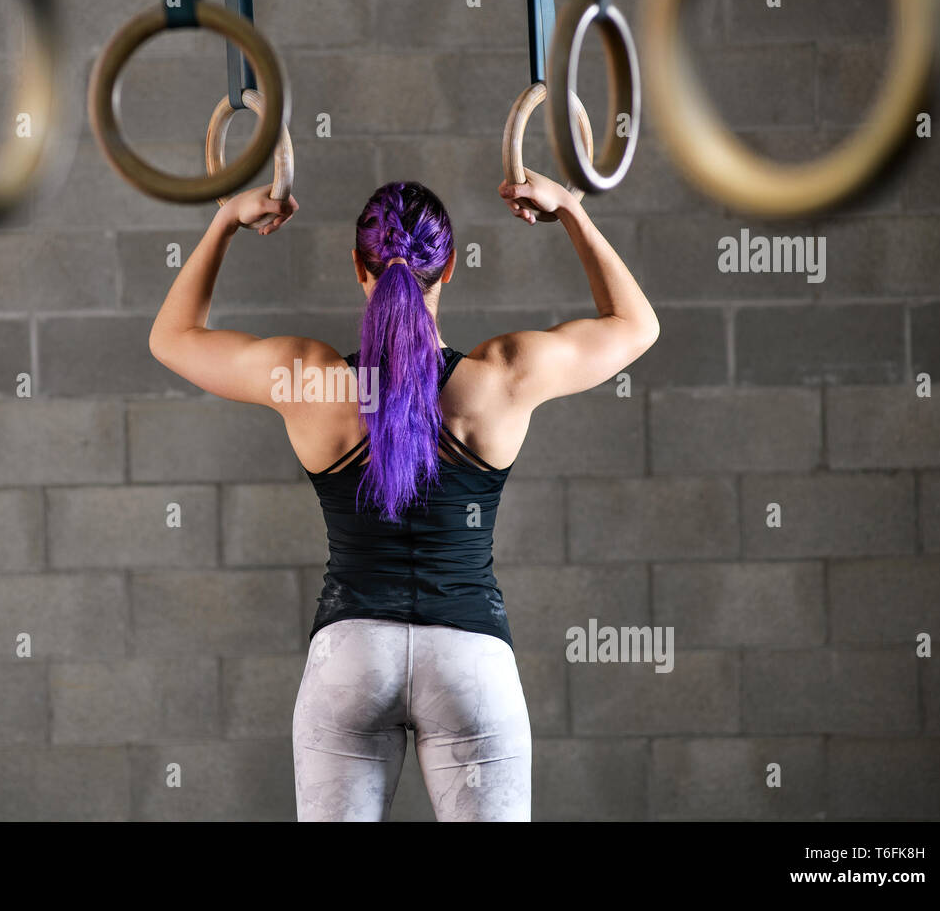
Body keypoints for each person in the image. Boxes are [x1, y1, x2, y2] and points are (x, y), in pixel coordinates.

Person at [148, 170, 658, 821]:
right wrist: (569, 211)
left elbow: (172, 338)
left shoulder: (311, 380)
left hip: (352, 656)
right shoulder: (501, 377)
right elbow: (635, 325)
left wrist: (224, 221)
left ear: (358, 267)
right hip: (470, 658)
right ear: (448, 270)